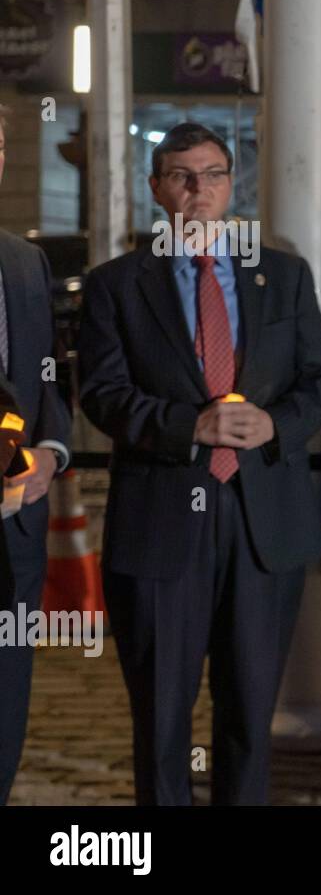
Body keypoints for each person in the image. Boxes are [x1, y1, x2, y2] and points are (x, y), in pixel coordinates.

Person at [78, 122, 321, 805]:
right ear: (156, 186)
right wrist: (187, 426)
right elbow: (101, 395)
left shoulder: (282, 275)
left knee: (251, 716)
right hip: (162, 526)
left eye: (214, 174)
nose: (199, 189)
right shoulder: (114, 286)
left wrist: (275, 424)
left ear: (232, 184)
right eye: (181, 175)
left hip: (265, 529)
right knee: (162, 721)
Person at [0, 105, 73, 805]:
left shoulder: (25, 261)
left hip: (14, 531)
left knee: (5, 710)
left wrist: (51, 451)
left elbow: (48, 376)